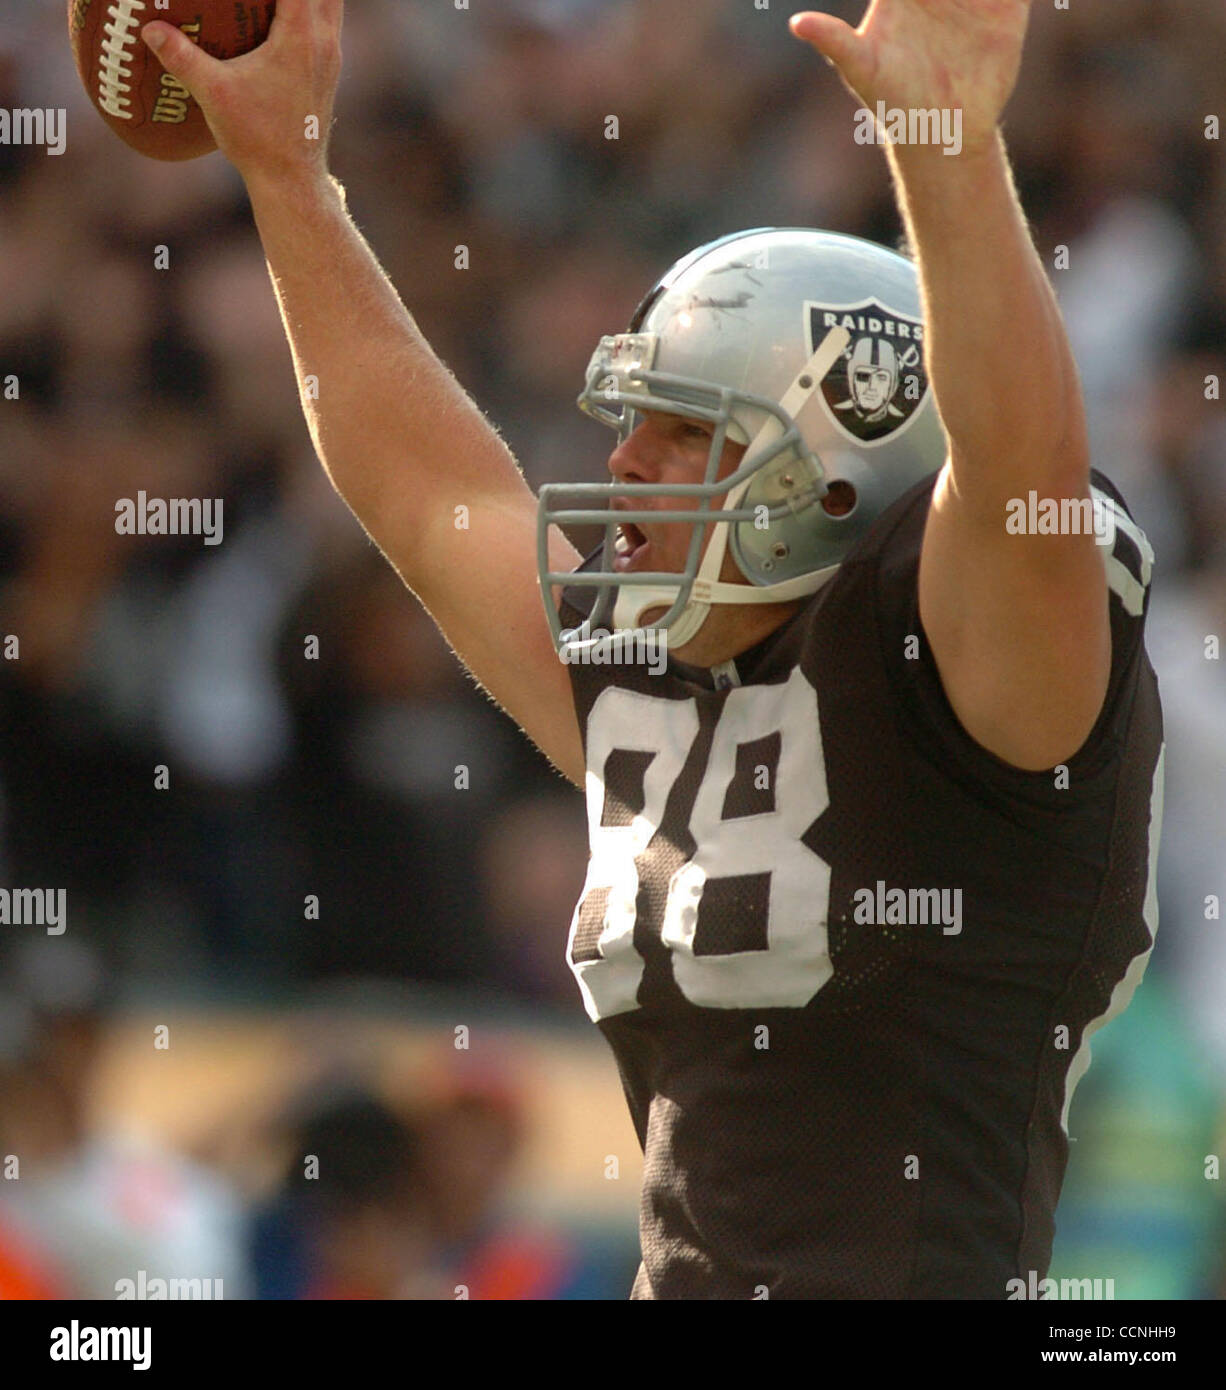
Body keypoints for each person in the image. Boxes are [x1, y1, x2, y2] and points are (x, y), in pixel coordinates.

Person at [140, 1, 1165, 1298]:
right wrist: (287, 172)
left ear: (838, 469)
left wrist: (943, 150)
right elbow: (430, 493)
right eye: (633, 421)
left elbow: (1019, 474)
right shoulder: (657, 668)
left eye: (685, 431)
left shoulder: (973, 669)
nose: (624, 461)